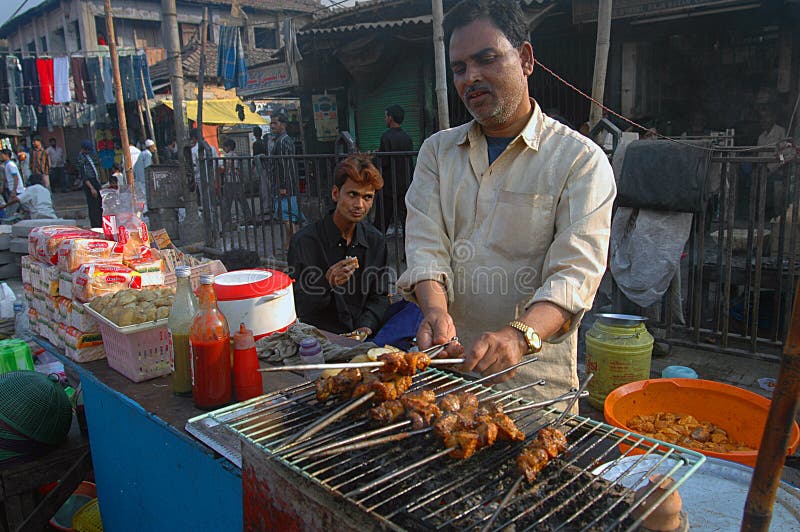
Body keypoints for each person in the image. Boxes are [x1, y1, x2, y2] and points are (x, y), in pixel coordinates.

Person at [396, 0, 616, 405]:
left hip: (534, 388)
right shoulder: (437, 153)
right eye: (459, 68)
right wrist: (434, 311)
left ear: (526, 59)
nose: (470, 78)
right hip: (448, 371)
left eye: (486, 59)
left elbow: (575, 272)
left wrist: (519, 336)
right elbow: (426, 243)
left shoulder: (580, 161)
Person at [288, 154, 390, 335]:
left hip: (364, 336)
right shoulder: (304, 242)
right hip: (320, 338)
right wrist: (326, 283)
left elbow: (379, 297)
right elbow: (297, 304)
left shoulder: (376, 241)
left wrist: (365, 327)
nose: (359, 205)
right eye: (353, 195)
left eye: (367, 197)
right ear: (336, 193)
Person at [378, 105, 413, 237]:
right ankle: (406, 255)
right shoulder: (407, 137)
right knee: (406, 222)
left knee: (382, 221)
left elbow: (385, 162)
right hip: (405, 184)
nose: (385, 119)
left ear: (391, 118)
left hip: (389, 186)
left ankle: (378, 253)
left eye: (386, 116)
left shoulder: (386, 137)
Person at [271, 112, 303, 249]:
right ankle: (288, 245)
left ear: (283, 125)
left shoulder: (283, 141)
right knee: (289, 216)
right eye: (271, 123)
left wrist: (283, 186)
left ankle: (297, 244)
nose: (272, 126)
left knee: (285, 216)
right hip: (288, 184)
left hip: (285, 185)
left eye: (275, 123)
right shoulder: (283, 139)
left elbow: (284, 165)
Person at [219, 139, 252, 228]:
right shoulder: (236, 155)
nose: (224, 149)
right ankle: (248, 217)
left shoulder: (227, 156)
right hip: (237, 180)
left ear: (228, 147)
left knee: (226, 201)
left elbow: (224, 168)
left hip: (229, 180)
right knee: (242, 200)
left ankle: (225, 221)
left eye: (224, 147)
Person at [77, 140, 103, 228]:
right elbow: (84, 176)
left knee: (99, 204)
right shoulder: (81, 158)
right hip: (89, 183)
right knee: (93, 206)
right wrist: (92, 188)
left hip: (95, 181)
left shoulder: (88, 156)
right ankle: (96, 225)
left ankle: (100, 223)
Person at [133, 139, 156, 214]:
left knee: (142, 195)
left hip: (139, 177)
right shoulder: (148, 154)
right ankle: (146, 210)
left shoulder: (142, 153)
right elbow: (148, 167)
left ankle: (145, 210)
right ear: (150, 147)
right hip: (144, 178)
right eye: (153, 146)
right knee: (146, 194)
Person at [0, 149, 25, 217]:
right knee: (22, 208)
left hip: (16, 190)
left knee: (10, 211)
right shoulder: (6, 165)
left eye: (1, 155)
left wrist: (14, 190)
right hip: (14, 189)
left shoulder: (10, 165)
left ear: (7, 155)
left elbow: (15, 178)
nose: (0, 156)